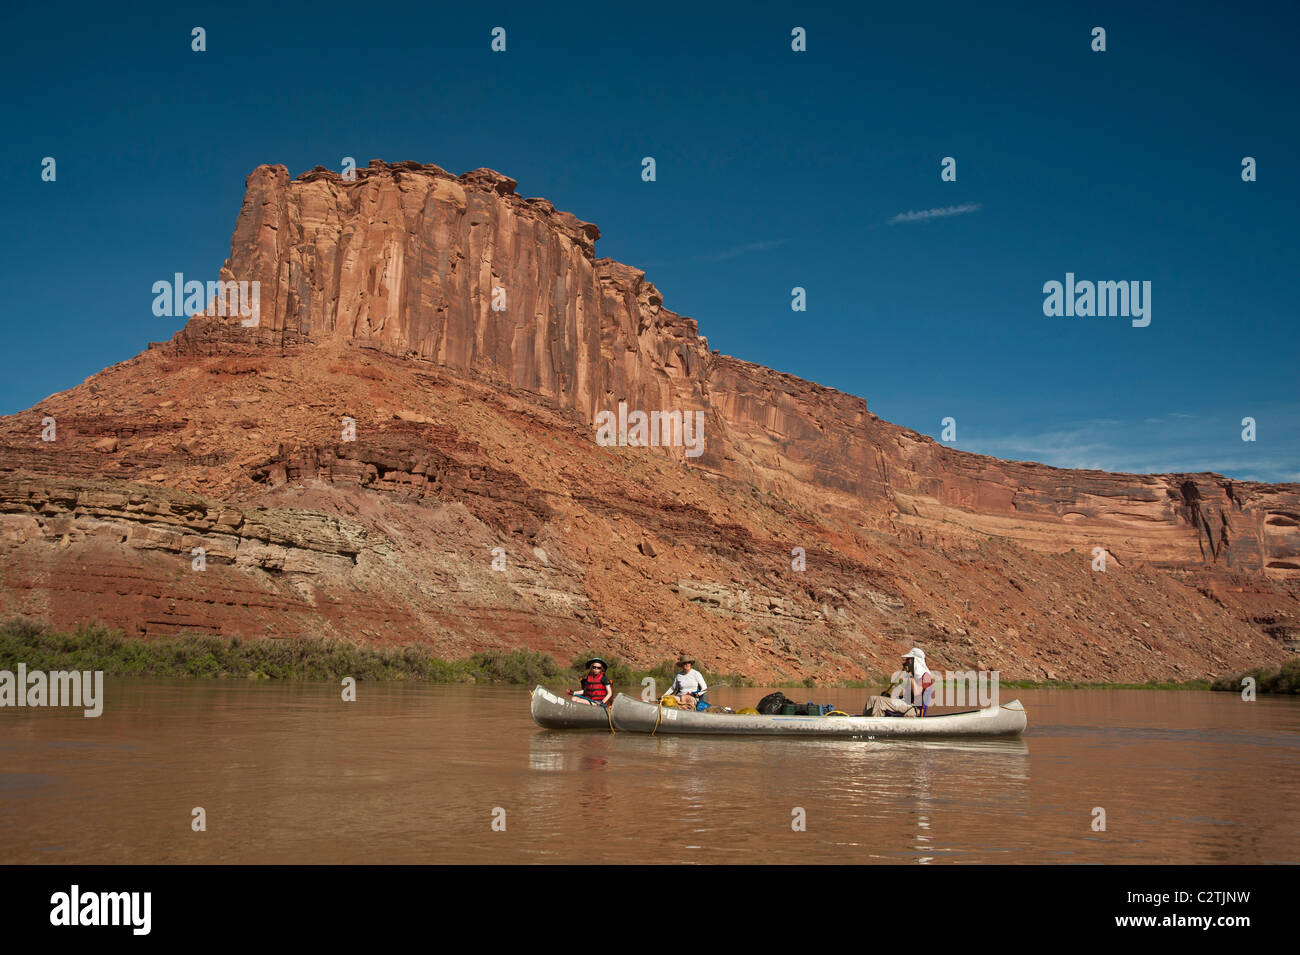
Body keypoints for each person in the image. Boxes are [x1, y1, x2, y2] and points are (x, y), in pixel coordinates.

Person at [863, 647, 934, 717]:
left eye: (908, 659)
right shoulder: (914, 676)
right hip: (906, 704)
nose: (906, 661)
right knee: (872, 699)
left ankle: (875, 725)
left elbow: (917, 694)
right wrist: (890, 697)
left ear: (915, 660)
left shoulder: (925, 676)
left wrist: (909, 674)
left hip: (914, 709)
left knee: (880, 701)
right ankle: (864, 722)